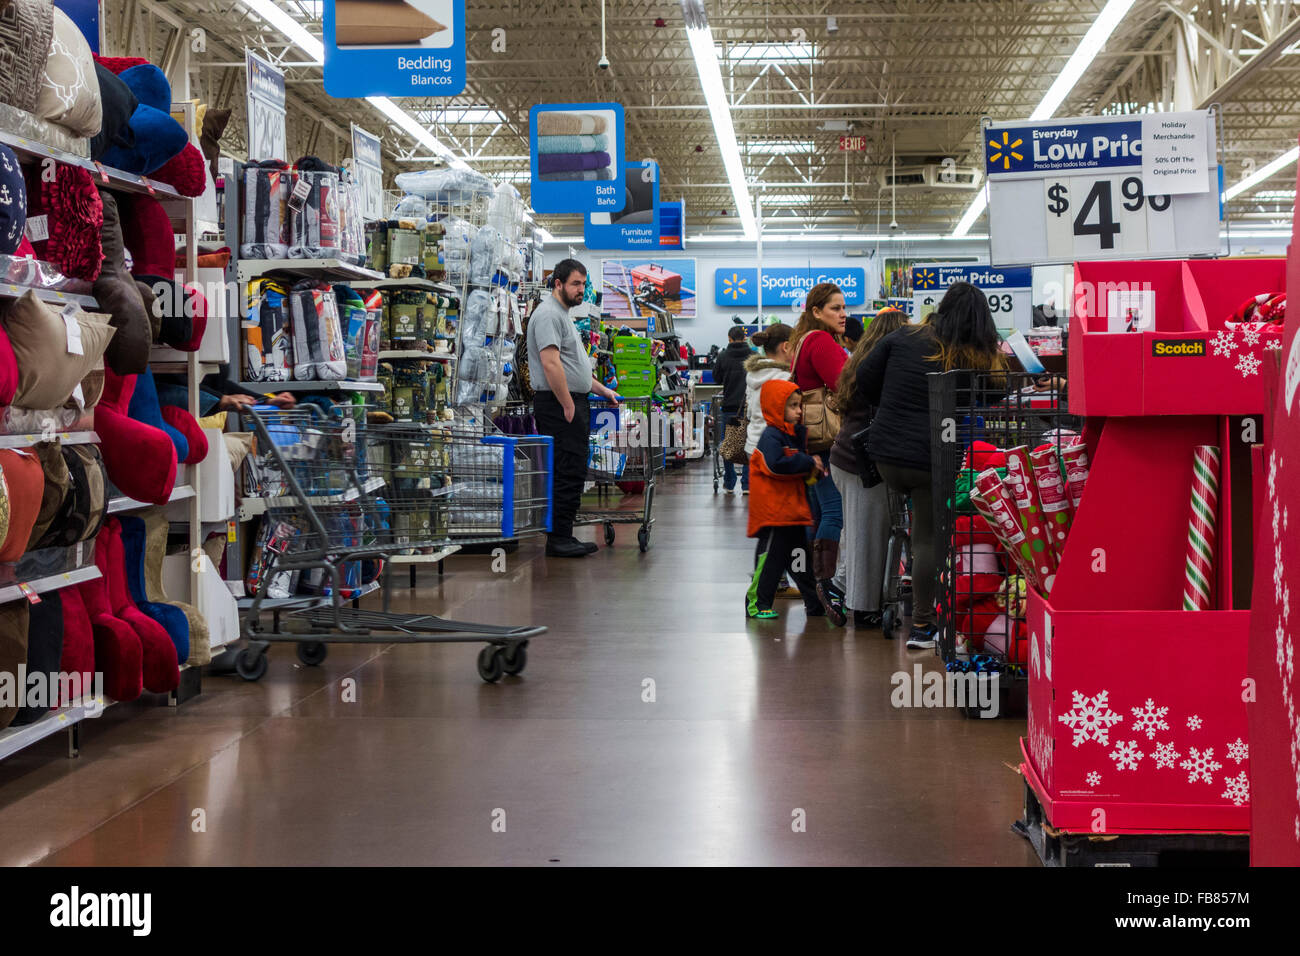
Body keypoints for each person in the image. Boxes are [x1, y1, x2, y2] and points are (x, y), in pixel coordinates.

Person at [857, 281, 1006, 648]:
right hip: (931, 459)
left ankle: (906, 585)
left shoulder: (901, 337)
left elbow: (863, 380)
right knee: (928, 538)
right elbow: (997, 391)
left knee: (905, 529)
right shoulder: (971, 353)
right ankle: (923, 626)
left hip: (887, 455)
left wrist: (893, 403)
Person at [527, 258, 622, 558]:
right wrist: (567, 403)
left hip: (570, 401)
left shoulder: (563, 315)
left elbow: (573, 367)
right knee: (568, 469)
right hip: (559, 405)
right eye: (575, 284)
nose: (581, 290)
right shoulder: (548, 316)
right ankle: (559, 539)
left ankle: (562, 534)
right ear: (558, 284)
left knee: (573, 468)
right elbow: (551, 363)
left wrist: (602, 389)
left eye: (583, 283)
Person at [829, 308, 907, 629]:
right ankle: (863, 610)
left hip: (847, 457)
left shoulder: (860, 361)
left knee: (861, 534)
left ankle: (840, 588)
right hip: (863, 463)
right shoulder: (884, 366)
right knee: (868, 538)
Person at [789, 282, 849, 626]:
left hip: (809, 439)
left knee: (816, 509)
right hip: (826, 440)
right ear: (816, 312)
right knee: (833, 510)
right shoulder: (822, 341)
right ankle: (827, 582)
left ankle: (813, 584)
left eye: (843, 308)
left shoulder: (802, 341)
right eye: (835, 308)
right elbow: (843, 386)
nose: (843, 314)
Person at [744, 379, 824, 620]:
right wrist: (808, 462)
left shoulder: (792, 435)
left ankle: (814, 603)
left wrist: (813, 470)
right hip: (774, 515)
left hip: (793, 513)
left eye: (799, 406)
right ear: (777, 408)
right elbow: (774, 466)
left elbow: (797, 471)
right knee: (769, 562)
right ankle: (757, 603)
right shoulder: (771, 436)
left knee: (801, 563)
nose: (799, 411)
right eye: (793, 406)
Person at [711, 325, 754, 494]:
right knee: (748, 445)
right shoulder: (753, 355)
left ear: (730, 338)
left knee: (728, 445)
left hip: (729, 407)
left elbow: (716, 378)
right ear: (744, 338)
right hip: (749, 408)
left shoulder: (723, 356)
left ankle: (729, 483)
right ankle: (747, 484)